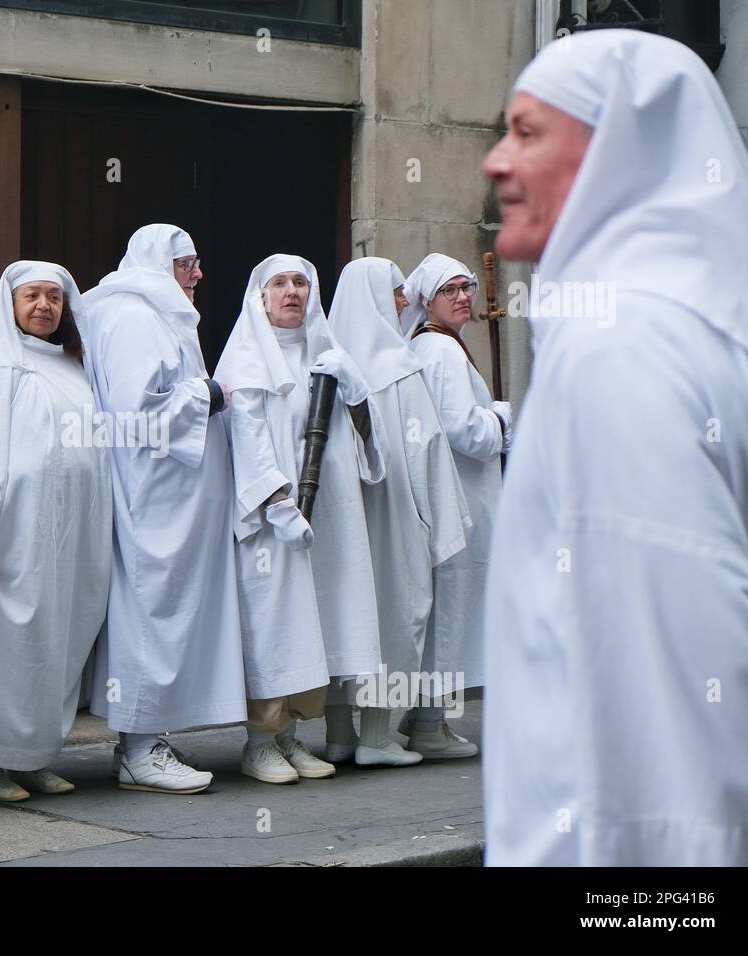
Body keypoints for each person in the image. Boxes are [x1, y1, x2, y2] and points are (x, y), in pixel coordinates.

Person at [481, 29, 748, 865]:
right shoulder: (694, 327)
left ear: (618, 155)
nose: (497, 161)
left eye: (528, 133)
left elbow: (670, 716)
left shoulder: (621, 350)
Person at [0, 261, 112, 802]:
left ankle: (33, 755)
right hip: (9, 532)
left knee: (55, 638)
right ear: (9, 303)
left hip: (72, 533)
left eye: (54, 299)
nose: (44, 307)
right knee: (5, 638)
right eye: (32, 296)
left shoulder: (75, 364)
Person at [83, 224, 246, 794]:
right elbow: (138, 408)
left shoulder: (153, 311)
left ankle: (148, 739)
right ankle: (138, 747)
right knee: (149, 611)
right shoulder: (133, 314)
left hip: (168, 493)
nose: (198, 274)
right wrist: (213, 394)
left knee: (159, 610)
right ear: (158, 263)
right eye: (188, 263)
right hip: (151, 493)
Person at [215, 254, 383, 784]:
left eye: (302, 283)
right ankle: (260, 740)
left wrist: (357, 393)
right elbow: (248, 437)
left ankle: (292, 734)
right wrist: (278, 503)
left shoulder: (327, 356)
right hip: (274, 524)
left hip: (328, 515)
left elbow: (368, 446)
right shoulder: (246, 360)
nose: (292, 292)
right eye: (280, 284)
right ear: (260, 296)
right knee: (276, 624)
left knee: (317, 623)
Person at [325, 258, 471, 765]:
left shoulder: (326, 362)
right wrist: (441, 520)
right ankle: (377, 737)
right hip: (395, 515)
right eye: (394, 292)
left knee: (346, 617)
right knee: (394, 613)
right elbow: (427, 449)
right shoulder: (399, 370)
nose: (403, 301)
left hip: (344, 519)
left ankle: (339, 735)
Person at [399, 253, 511, 750]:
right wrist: (503, 420)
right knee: (452, 606)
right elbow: (463, 430)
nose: (464, 296)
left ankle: (427, 717)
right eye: (452, 290)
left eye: (466, 288)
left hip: (458, 496)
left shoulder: (436, 345)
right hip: (459, 499)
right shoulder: (440, 352)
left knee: (451, 603)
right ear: (428, 300)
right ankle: (427, 723)